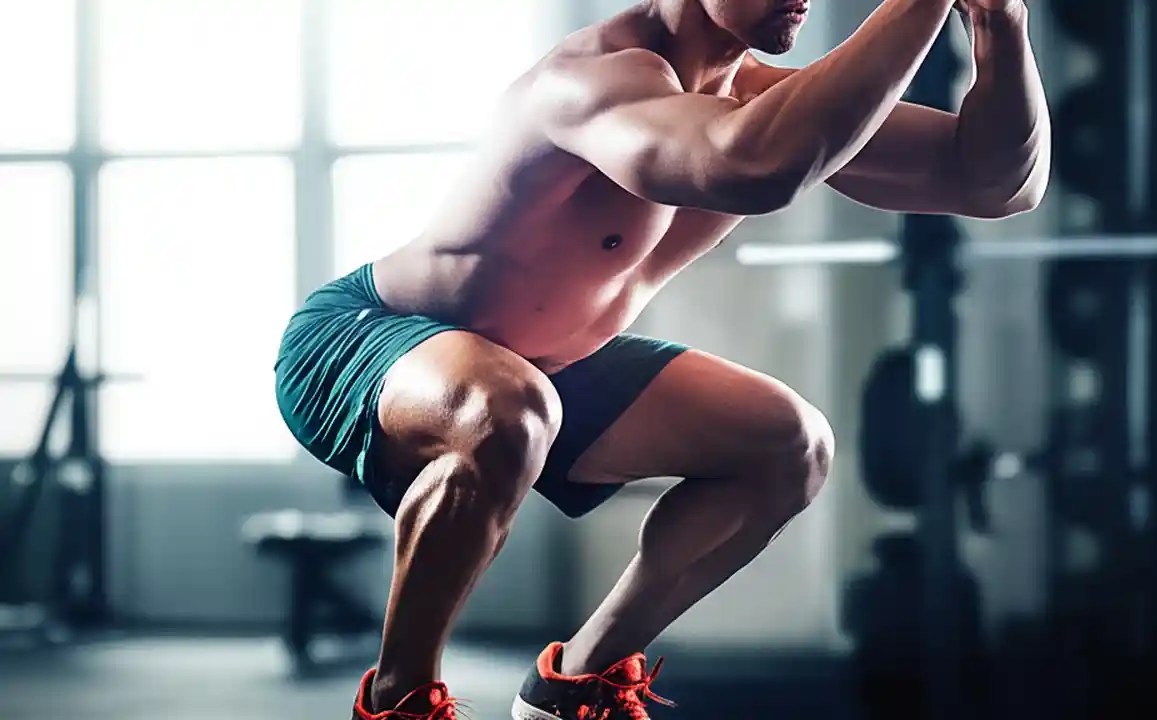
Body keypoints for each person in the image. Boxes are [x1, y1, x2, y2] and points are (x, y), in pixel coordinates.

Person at [273, 0, 1050, 717]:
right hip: (369, 338)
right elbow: (750, 167)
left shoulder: (760, 97)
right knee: (507, 406)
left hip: (541, 367)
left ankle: (575, 685)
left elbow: (997, 182)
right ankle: (399, 699)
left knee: (788, 446)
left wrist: (1000, 27)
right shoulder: (592, 80)